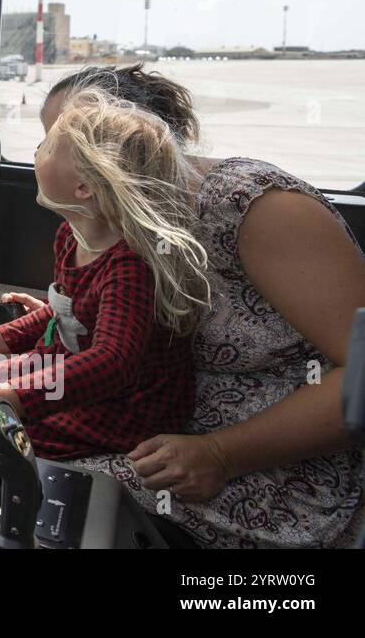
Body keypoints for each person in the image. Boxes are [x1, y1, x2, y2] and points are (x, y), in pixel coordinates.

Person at [22, 64, 365, 547]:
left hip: (262, 473)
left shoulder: (255, 206)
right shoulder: (115, 222)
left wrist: (221, 455)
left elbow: (362, 373)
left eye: (60, 141)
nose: (42, 157)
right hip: (144, 428)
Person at [0, 87, 210, 459]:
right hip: (69, 371)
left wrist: (12, 397)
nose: (36, 152)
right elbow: (66, 310)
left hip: (117, 409)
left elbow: (112, 364)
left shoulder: (130, 266)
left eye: (46, 147)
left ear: (84, 188)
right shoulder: (70, 237)